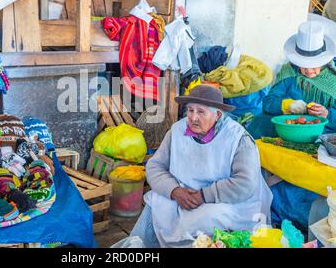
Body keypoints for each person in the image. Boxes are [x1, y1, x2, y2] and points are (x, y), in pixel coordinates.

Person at [129, 85, 272, 247]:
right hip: (182, 195)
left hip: (226, 202)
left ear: (217, 114)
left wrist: (203, 196)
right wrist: (174, 191)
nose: (193, 117)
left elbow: (245, 184)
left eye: (201, 112)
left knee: (210, 216)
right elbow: (155, 166)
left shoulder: (238, 138)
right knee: (155, 201)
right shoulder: (177, 130)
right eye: (190, 110)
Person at [248, 21, 336, 235]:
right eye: (304, 64)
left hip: (318, 142)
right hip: (283, 137)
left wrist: (328, 114)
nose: (309, 70)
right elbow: (268, 103)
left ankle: (307, 222)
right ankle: (273, 213)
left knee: (310, 183)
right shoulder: (288, 74)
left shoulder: (333, 81)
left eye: (315, 64)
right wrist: (286, 105)